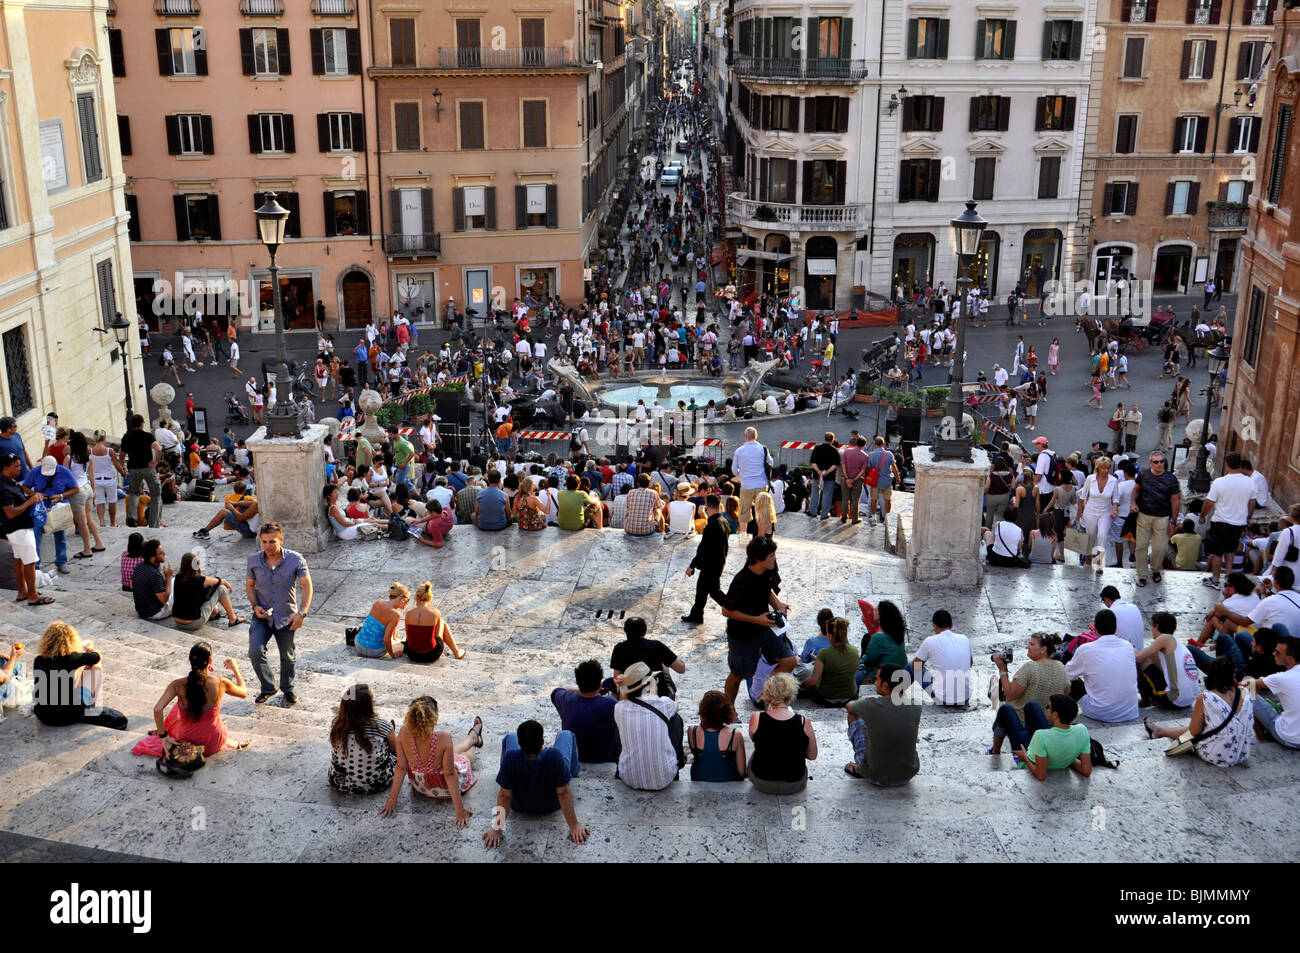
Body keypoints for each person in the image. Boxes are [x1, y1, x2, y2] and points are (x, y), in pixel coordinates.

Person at [483, 720, 589, 848]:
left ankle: (505, 776)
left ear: (519, 743)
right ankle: (572, 774)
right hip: (551, 806)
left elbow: (504, 795)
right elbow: (563, 792)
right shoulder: (554, 756)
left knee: (510, 736)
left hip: (518, 805)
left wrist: (497, 829)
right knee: (566, 734)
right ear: (542, 742)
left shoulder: (510, 758)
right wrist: (574, 826)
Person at [380, 696, 482, 822]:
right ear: (433, 718)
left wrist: (391, 800)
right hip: (445, 790)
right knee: (464, 757)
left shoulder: (402, 733)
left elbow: (401, 768)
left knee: (450, 752)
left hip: (421, 786)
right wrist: (459, 808)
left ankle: (473, 736)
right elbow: (449, 774)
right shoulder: (443, 738)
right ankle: (474, 738)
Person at [245, 523, 313, 706]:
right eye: (265, 542)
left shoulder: (296, 559)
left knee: (288, 656)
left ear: (281, 540)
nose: (268, 546)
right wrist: (254, 605)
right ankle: (268, 687)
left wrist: (302, 613)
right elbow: (249, 585)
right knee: (255, 651)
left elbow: (307, 586)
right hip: (262, 615)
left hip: (286, 615)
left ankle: (288, 689)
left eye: (272, 541)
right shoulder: (253, 560)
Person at [1144, 658, 1253, 767]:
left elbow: (1194, 732)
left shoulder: (1206, 697)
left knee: (1198, 728)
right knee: (1211, 725)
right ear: (1233, 675)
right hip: (1241, 753)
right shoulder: (1246, 693)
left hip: (1217, 755)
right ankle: (1160, 731)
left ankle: (1160, 731)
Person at [719, 536, 788, 705]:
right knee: (738, 674)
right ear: (759, 559)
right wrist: (756, 619)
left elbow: (767, 590)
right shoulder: (741, 581)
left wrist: (778, 605)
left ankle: (764, 695)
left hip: (765, 629)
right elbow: (726, 611)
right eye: (771, 555)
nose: (775, 558)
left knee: (789, 661)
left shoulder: (767, 570)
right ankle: (729, 710)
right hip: (742, 635)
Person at [150, 641, 248, 754]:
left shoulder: (177, 685)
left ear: (190, 661)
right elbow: (243, 692)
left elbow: (157, 709)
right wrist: (235, 669)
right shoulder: (221, 682)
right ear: (210, 662)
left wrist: (164, 736)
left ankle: (161, 731)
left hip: (187, 742)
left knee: (180, 704)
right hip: (214, 742)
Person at [32, 621, 128, 730]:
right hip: (70, 715)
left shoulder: (39, 660)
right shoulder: (72, 658)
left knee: (69, 676)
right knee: (95, 667)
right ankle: (92, 706)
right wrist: (89, 649)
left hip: (44, 715)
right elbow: (96, 657)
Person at [989, 633, 1069, 753]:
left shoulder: (1030, 667)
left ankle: (995, 751)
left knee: (1004, 710)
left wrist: (1002, 669)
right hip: (1048, 723)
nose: (1028, 647)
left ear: (1043, 649)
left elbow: (1010, 695)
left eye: (1031, 644)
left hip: (1023, 723)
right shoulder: (1060, 666)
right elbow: (1067, 691)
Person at [844, 663, 922, 784]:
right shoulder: (916, 705)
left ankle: (862, 768)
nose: (875, 683)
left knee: (854, 716)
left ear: (885, 685)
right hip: (908, 774)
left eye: (877, 679)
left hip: (876, 776)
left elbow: (849, 706)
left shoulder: (871, 704)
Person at [614, 661, 680, 791]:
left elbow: (625, 700)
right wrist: (654, 695)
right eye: (654, 679)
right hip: (664, 778)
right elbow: (676, 706)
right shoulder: (664, 704)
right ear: (649, 685)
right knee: (676, 719)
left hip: (629, 777)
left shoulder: (619, 708)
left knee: (621, 723)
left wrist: (624, 687)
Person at [1066, 609, 1140, 723]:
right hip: (1130, 711)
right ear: (1116, 628)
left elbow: (1066, 675)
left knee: (1070, 680)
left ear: (1094, 628)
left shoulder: (1085, 650)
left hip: (1099, 712)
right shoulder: (1128, 646)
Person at [747, 672, 817, 794]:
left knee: (755, 751)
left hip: (762, 782)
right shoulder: (803, 721)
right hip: (795, 784)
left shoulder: (756, 718)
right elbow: (812, 756)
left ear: (767, 695)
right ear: (790, 696)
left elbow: (756, 739)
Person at [1200, 452, 1257, 590]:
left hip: (1220, 522)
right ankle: (1229, 578)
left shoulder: (1219, 482)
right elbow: (1252, 502)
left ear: (1226, 464)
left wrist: (1202, 516)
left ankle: (1215, 579)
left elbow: (1209, 503)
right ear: (1240, 464)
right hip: (1238, 523)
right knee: (1231, 550)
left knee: (1217, 552)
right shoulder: (1249, 482)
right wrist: (1248, 517)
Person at [0, 452, 51, 606]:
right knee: (30, 561)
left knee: (19, 559)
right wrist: (30, 502)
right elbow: (10, 512)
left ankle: (22, 592)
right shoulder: (3, 487)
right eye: (16, 466)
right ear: (5, 468)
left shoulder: (10, 482)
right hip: (19, 529)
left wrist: (31, 498)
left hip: (17, 529)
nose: (19, 468)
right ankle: (33, 595)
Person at [328, 684, 398, 794]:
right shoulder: (382, 726)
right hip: (377, 783)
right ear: (367, 705)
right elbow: (395, 749)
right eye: (372, 699)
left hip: (340, 783)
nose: (374, 702)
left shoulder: (338, 726)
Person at [551, 659, 620, 763]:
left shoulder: (566, 700)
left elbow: (559, 690)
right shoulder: (611, 703)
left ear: (578, 682)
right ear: (600, 682)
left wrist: (581, 690)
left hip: (576, 756)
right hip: (604, 757)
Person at [1016, 694, 1093, 781]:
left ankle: (996, 752)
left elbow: (1041, 776)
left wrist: (1025, 757)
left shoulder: (1040, 735)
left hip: (1031, 759)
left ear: (1055, 714)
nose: (1047, 709)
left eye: (1048, 707)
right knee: (1031, 705)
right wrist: (1068, 756)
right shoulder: (1082, 730)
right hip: (1051, 745)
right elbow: (1086, 771)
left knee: (1007, 710)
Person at [1132, 451, 1181, 587]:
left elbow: (1175, 500)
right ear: (1150, 463)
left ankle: (1155, 569)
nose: (1160, 464)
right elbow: (1136, 490)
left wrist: (1174, 521)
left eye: (1162, 461)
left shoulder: (1171, 479)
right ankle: (1142, 574)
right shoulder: (1143, 474)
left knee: (1160, 548)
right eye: (1156, 462)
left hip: (1163, 517)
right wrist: (1133, 503)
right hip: (1144, 515)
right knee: (1141, 546)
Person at [1135, 612, 1202, 708]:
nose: (1151, 630)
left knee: (1143, 661)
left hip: (1175, 699)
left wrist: (1130, 647)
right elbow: (1162, 669)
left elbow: (1139, 658)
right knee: (1149, 657)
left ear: (1156, 626)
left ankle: (1145, 701)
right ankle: (1154, 697)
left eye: (1152, 626)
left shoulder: (1164, 638)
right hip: (1189, 699)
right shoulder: (1176, 643)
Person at [24, 455, 77, 576]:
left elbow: (75, 489)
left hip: (57, 508)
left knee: (60, 537)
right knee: (36, 537)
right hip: (39, 508)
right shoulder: (35, 471)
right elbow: (25, 486)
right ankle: (36, 565)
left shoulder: (64, 472)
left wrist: (61, 496)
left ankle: (61, 562)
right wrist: (35, 494)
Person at [909, 610, 973, 706]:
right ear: (951, 625)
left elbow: (915, 667)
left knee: (911, 665)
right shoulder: (964, 638)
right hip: (965, 697)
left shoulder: (929, 641)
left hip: (943, 699)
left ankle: (893, 692)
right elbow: (970, 663)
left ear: (934, 625)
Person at [1246, 635, 1300, 748]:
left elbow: (1250, 683)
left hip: (1288, 737)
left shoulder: (1281, 678)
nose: (1273, 654)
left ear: (1290, 659)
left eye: (1278, 652)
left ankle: (1261, 737)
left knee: (1247, 688)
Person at [172, 552, 246, 631]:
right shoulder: (197, 580)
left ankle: (214, 614)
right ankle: (233, 618)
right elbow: (219, 581)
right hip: (192, 624)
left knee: (204, 592)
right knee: (221, 589)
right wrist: (226, 583)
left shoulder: (178, 577)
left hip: (177, 621)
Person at [402, 581, 464, 662]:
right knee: (442, 622)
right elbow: (437, 636)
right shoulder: (435, 612)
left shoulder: (408, 614)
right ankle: (456, 652)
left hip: (412, 655)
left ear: (416, 597)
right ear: (430, 598)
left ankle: (456, 652)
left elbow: (409, 636)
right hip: (431, 655)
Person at [802, 616, 859, 703]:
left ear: (829, 635)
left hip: (827, 698)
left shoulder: (823, 653)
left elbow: (813, 682)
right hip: (850, 695)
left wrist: (800, 683)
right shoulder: (854, 650)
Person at [120, 414, 162, 529]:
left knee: (134, 493)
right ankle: (154, 525)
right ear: (142, 424)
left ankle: (132, 517)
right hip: (148, 469)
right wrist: (156, 461)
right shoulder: (147, 436)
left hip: (134, 469)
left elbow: (122, 455)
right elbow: (158, 449)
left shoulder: (126, 437)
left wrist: (122, 467)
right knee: (156, 496)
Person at [352, 582, 410, 659]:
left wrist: (394, 638)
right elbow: (386, 639)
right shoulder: (396, 615)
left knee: (393, 639)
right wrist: (392, 655)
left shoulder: (378, 602)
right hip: (375, 651)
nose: (407, 603)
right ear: (401, 598)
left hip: (358, 644)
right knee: (401, 646)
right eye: (408, 600)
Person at [732, 426, 772, 526]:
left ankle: (743, 535)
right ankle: (761, 536)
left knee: (744, 512)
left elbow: (734, 471)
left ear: (745, 437)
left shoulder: (739, 451)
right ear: (756, 436)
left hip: (746, 485)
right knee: (762, 512)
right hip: (761, 484)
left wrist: (741, 473)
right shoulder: (763, 449)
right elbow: (771, 462)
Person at [132, 539, 175, 621]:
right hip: (156, 613)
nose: (164, 554)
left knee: (175, 581)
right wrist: (168, 577)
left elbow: (132, 585)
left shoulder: (139, 566)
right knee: (182, 585)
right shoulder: (154, 574)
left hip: (142, 611)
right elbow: (164, 599)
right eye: (161, 553)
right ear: (152, 558)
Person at [1100, 585, 1145, 653]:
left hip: (1123, 653)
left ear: (1106, 599)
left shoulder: (1111, 612)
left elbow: (1105, 637)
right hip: (1139, 651)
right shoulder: (1134, 607)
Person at [808, 431, 840, 519]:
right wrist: (826, 472)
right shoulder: (834, 451)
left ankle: (813, 511)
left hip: (817, 476)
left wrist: (819, 471)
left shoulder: (817, 448)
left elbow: (812, 462)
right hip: (829, 477)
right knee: (827, 495)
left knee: (815, 493)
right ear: (832, 440)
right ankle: (824, 514)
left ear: (824, 438)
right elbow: (835, 465)